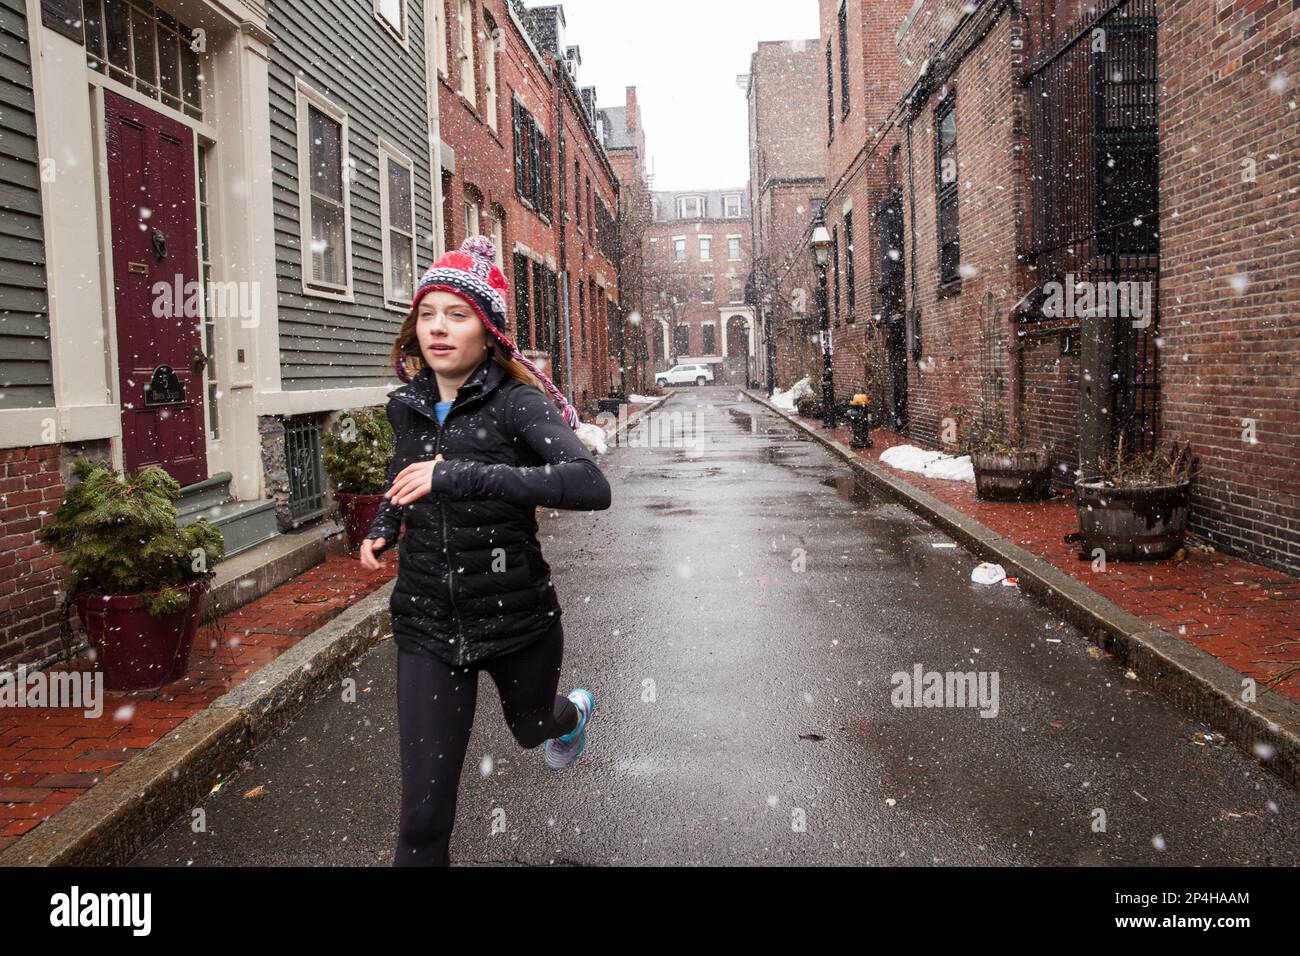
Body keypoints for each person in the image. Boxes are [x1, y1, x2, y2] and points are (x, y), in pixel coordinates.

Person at [359, 236, 612, 867]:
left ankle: (567, 716)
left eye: (457, 314)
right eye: (427, 314)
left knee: (531, 730)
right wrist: (386, 521)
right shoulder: (408, 408)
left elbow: (589, 484)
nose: (438, 329)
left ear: (488, 330)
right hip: (427, 625)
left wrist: (463, 474)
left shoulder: (517, 404)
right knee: (422, 818)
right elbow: (406, 471)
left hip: (515, 617)